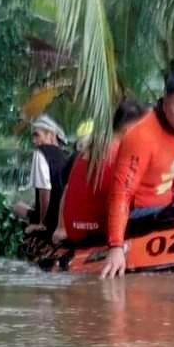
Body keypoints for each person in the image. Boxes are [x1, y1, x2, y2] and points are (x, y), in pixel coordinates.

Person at [100, 74, 174, 278]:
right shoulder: (141, 136)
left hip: (166, 209)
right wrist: (116, 247)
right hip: (137, 214)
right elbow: (121, 193)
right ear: (164, 103)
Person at [53, 99, 148, 245]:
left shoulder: (92, 147)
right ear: (129, 128)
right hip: (97, 232)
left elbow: (67, 189)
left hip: (75, 230)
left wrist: (61, 228)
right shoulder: (120, 153)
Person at [12, 114, 70, 239]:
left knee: (17, 207)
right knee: (25, 207)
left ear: (51, 134)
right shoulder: (67, 155)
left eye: (37, 135)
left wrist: (41, 223)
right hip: (64, 219)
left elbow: (45, 191)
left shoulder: (40, 153)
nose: (34, 141)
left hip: (51, 220)